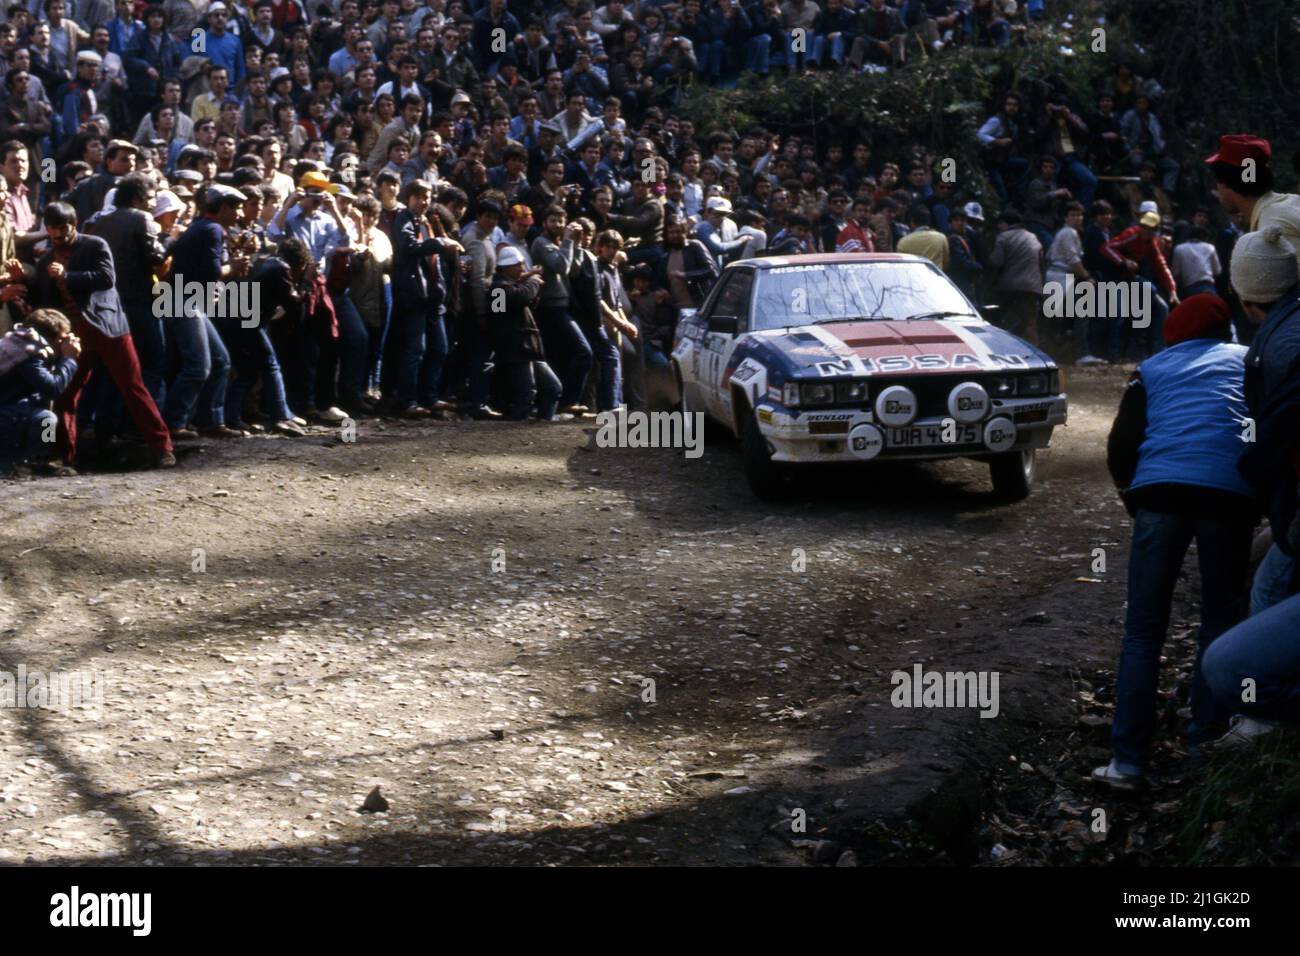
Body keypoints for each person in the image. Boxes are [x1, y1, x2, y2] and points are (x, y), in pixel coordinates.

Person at [1094, 294, 1256, 789]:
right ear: (1224, 329)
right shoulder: (1250, 360)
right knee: (1219, 622)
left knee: (1142, 632)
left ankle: (1127, 762)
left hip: (1159, 496)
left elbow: (1121, 444)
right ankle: (1204, 750)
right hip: (1228, 498)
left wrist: (1132, 501)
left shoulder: (1151, 369)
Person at [33, 201, 174, 468]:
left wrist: (68, 275)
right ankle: (61, 455)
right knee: (65, 393)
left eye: (62, 228)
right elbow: (45, 300)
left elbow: (106, 277)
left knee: (133, 387)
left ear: (73, 224)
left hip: (109, 329)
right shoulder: (45, 260)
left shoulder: (94, 245)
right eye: (52, 229)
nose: (58, 234)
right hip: (75, 335)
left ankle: (162, 447)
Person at [1227, 226, 1300, 617]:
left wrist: (1251, 472)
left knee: (1267, 592)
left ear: (1245, 294)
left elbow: (1277, 431)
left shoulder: (1277, 348)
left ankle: (1265, 677)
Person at [0, 309, 79, 475]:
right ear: (54, 338)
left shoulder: (18, 343)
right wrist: (69, 359)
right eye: (62, 339)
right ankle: (37, 459)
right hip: (6, 415)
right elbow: (53, 388)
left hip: (9, 411)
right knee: (47, 419)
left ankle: (27, 462)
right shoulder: (28, 352)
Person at [489, 244, 562, 421]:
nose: (522, 268)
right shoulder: (498, 287)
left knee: (553, 387)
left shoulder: (509, 286)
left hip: (527, 348)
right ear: (506, 267)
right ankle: (517, 431)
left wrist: (529, 282)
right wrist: (533, 281)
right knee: (526, 393)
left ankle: (544, 423)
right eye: (518, 265)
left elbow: (523, 301)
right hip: (516, 349)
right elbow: (518, 299)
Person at [986, 209, 1043, 344]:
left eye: (999, 224)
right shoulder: (1033, 237)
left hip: (1009, 288)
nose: (999, 227)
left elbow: (996, 262)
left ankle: (1003, 351)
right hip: (1032, 288)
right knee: (1030, 324)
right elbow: (1041, 262)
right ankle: (1033, 357)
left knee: (1003, 323)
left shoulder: (1003, 237)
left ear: (1004, 224)